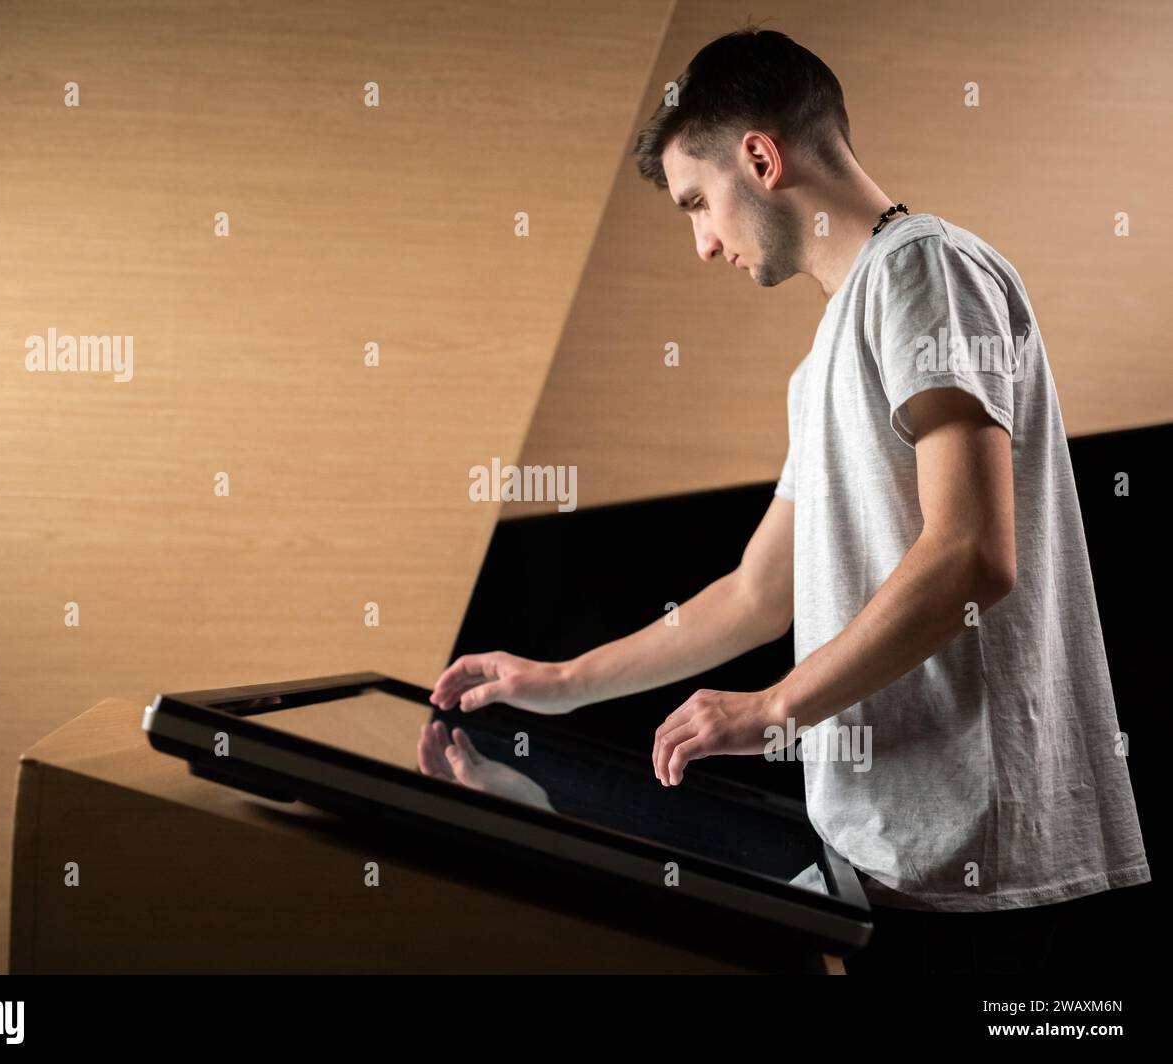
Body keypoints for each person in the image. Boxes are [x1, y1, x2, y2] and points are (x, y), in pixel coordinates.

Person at [428, 26, 1151, 974]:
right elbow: (756, 593)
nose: (702, 243)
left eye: (698, 202)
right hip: (880, 861)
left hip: (983, 872)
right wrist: (556, 682)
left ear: (760, 158)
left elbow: (973, 554)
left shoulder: (922, 269)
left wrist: (772, 709)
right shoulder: (822, 364)